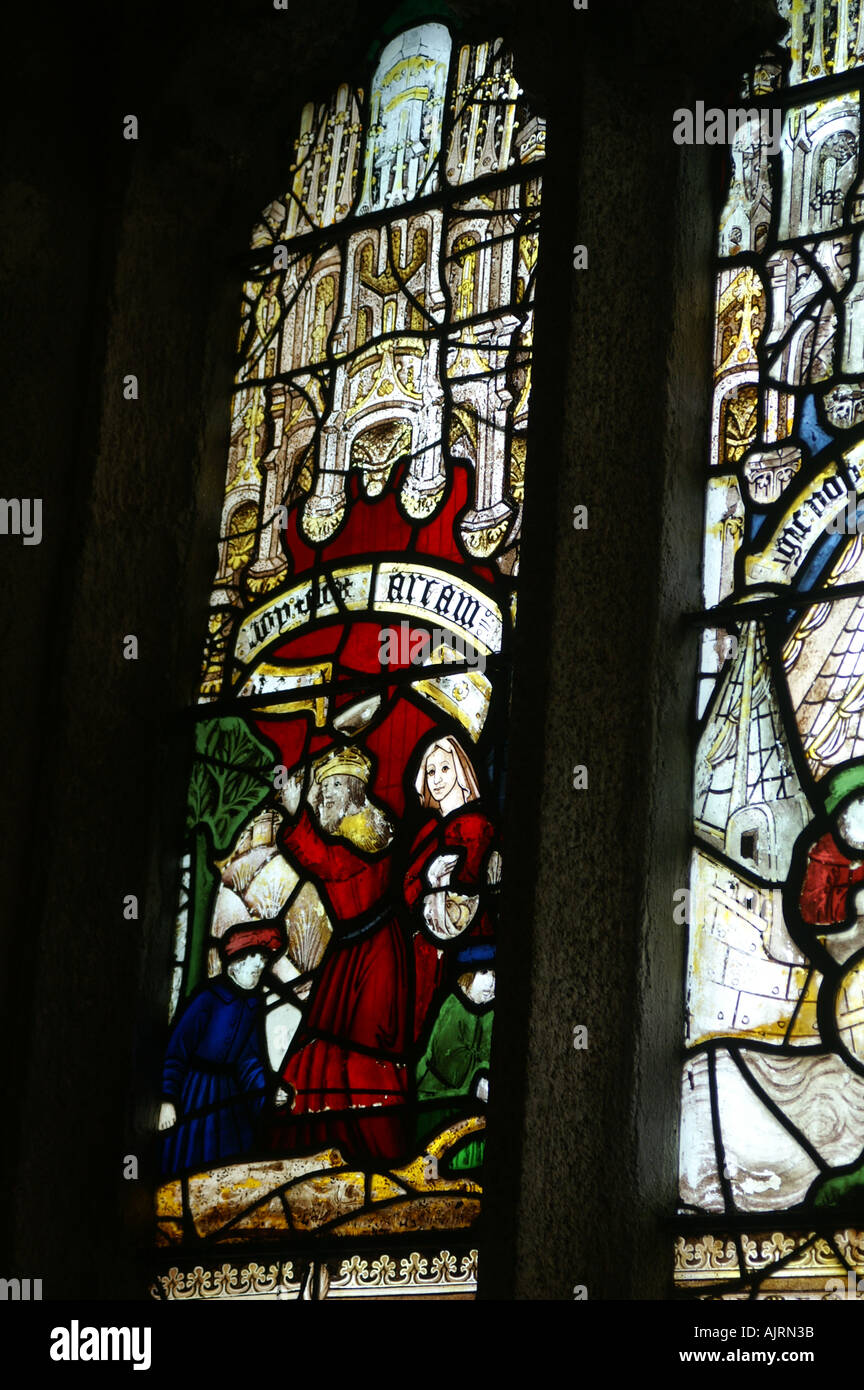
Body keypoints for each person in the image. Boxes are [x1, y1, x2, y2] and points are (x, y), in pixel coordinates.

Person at [271, 744, 412, 1162]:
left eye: (330, 787)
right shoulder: (345, 830)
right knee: (322, 1050)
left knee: (363, 1055)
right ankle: (316, 1148)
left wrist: (298, 814)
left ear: (352, 790)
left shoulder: (372, 830)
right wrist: (304, 805)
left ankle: (377, 1154)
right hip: (350, 953)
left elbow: (331, 866)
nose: (323, 796)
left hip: (374, 959)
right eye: (321, 788)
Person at [159, 922, 282, 1177]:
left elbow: (250, 1060)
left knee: (233, 1158)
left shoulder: (253, 1004)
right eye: (253, 956)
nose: (260, 963)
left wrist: (267, 1095)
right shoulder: (208, 997)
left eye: (263, 957)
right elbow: (177, 1049)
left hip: (230, 1094)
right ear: (235, 961)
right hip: (194, 1090)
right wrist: (168, 1099)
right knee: (189, 1155)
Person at [403, 734, 500, 1043]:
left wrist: (437, 886)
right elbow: (406, 891)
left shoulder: (476, 826)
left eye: (445, 768)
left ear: (460, 770)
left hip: (463, 948)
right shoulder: (428, 832)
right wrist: (429, 884)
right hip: (421, 948)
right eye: (431, 772)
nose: (438, 779)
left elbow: (472, 889)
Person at [415, 943, 495, 1171]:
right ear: (465, 977)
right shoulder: (453, 1007)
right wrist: (477, 1080)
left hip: (471, 1107)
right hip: (437, 1100)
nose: (491, 983)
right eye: (483, 973)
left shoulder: (491, 1013)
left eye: (495, 975)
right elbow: (448, 1061)